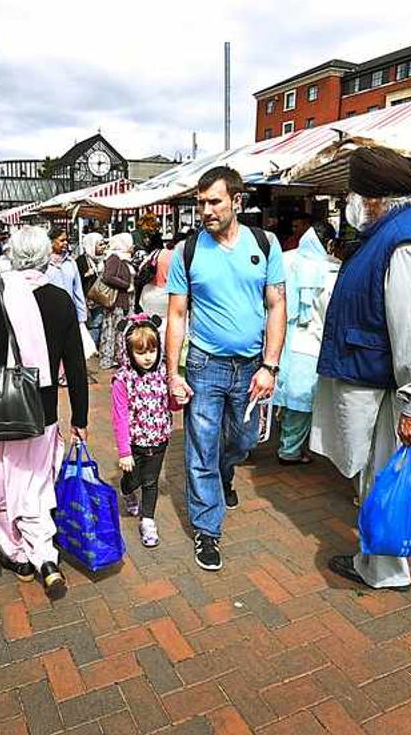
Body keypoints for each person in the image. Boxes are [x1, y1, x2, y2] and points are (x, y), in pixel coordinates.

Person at [311, 146, 411, 592]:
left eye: (352, 194)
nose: (349, 203)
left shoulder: (403, 243)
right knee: (396, 466)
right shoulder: (392, 232)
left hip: (393, 387)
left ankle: (381, 570)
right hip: (383, 380)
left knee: (383, 472)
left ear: (372, 199)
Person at [0, 226, 88, 595]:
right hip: (39, 411)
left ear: (12, 255)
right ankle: (45, 554)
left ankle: (17, 555)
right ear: (47, 257)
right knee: (35, 485)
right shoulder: (60, 300)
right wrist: (80, 418)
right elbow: (75, 365)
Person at [165, 166, 286, 571]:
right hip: (204, 365)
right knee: (200, 446)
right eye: (201, 203)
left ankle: (225, 472)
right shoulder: (189, 250)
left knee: (244, 439)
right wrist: (173, 373)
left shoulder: (265, 245)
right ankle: (207, 529)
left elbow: (276, 306)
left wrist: (270, 365)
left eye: (214, 201)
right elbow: (177, 315)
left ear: (237, 200)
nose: (206, 210)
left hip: (252, 366)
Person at [110, 314, 180, 548]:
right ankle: (127, 490)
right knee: (134, 479)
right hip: (135, 442)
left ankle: (148, 520)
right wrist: (124, 451)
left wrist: (179, 398)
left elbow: (170, 404)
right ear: (129, 352)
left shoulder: (163, 373)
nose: (148, 357)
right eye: (140, 352)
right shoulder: (122, 379)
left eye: (152, 350)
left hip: (159, 438)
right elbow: (120, 417)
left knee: (151, 481)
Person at [276, 221, 339, 464]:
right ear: (329, 243)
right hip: (312, 340)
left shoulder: (284, 260)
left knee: (283, 392)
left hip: (281, 336)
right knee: (301, 399)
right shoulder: (330, 270)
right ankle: (290, 450)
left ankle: (276, 442)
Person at [97, 233, 136, 370]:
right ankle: (108, 358)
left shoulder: (126, 258)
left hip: (125, 301)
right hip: (117, 301)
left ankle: (119, 357)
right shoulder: (114, 257)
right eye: (130, 242)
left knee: (121, 330)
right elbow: (108, 277)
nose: (132, 246)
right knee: (113, 330)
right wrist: (126, 285)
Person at [45, 228, 87, 326]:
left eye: (67, 240)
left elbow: (77, 290)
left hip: (69, 312)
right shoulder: (44, 264)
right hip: (50, 312)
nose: (65, 243)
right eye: (62, 240)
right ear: (51, 241)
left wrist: (82, 318)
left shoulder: (71, 263)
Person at [77, 232, 106, 348]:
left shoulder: (104, 260)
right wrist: (86, 275)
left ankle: (95, 347)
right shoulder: (81, 261)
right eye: (100, 245)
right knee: (91, 324)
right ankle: (91, 348)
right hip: (87, 298)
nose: (103, 247)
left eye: (104, 244)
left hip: (101, 297)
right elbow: (77, 280)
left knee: (98, 323)